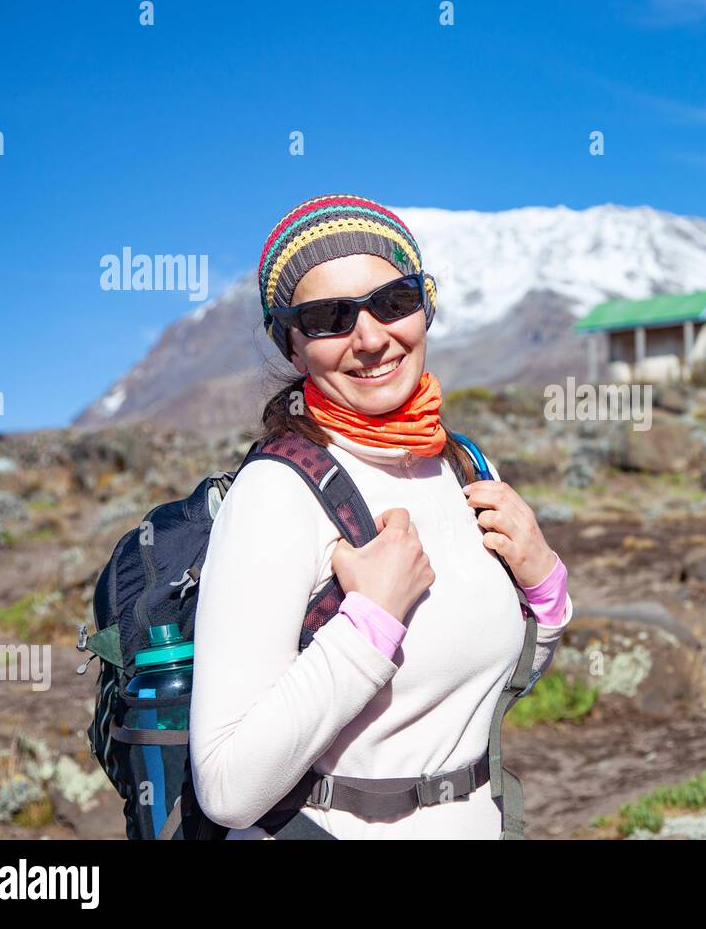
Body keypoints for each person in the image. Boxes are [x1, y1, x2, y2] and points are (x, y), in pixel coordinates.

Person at [188, 193, 573, 839]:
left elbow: (474, 690)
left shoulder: (466, 468)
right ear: (293, 344)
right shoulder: (276, 494)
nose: (371, 338)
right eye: (330, 317)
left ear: (426, 306)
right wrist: (370, 625)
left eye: (394, 301)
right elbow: (226, 788)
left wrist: (544, 591)